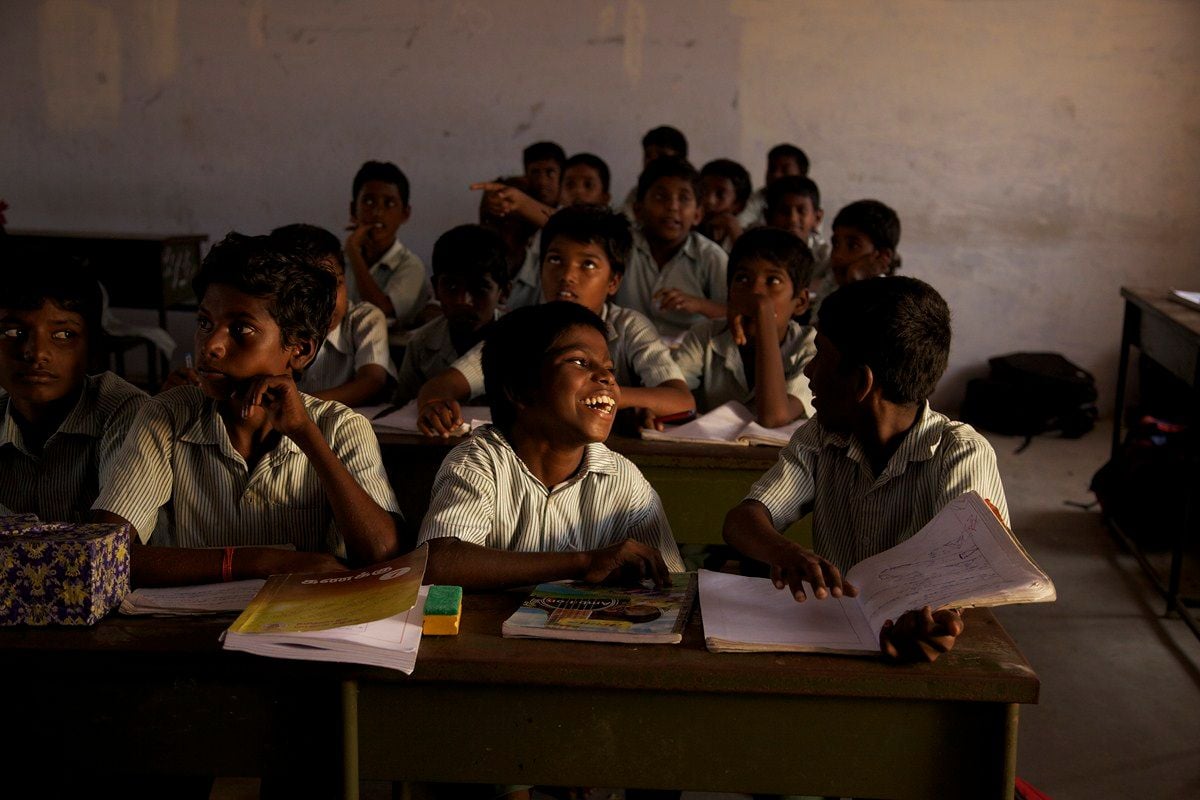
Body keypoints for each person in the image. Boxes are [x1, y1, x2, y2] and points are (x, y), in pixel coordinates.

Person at [722, 277, 1009, 662]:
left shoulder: (960, 455)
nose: (808, 371)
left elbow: (959, 587)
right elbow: (742, 520)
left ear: (860, 382)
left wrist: (930, 622)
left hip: (912, 657)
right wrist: (784, 551)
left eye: (820, 355)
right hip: (832, 641)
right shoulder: (822, 436)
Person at [93, 233, 401, 587]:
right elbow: (105, 555)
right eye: (205, 322)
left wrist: (306, 434)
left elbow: (382, 554)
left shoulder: (339, 428)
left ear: (299, 350)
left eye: (241, 329)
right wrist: (259, 561)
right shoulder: (166, 416)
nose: (211, 345)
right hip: (182, 635)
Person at [418, 301, 685, 591]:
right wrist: (583, 563)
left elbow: (671, 582)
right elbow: (439, 562)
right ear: (519, 389)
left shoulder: (624, 481)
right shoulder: (480, 463)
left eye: (609, 368)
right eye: (580, 362)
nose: (607, 377)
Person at [416, 205, 694, 435]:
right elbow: (444, 385)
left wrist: (601, 395)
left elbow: (680, 399)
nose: (567, 276)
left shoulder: (629, 326)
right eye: (555, 260)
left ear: (613, 281)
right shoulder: (522, 328)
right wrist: (437, 404)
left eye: (587, 264)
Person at [0, 245, 147, 521]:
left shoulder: (126, 412)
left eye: (64, 334)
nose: (36, 352)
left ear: (92, 350)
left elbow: (108, 546)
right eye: (13, 331)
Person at [672, 228, 816, 426]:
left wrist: (763, 312)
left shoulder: (810, 347)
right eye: (742, 279)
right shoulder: (705, 335)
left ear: (800, 302)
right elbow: (671, 394)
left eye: (773, 281)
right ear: (728, 290)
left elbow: (774, 416)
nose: (755, 292)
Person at [268, 224, 395, 407]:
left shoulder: (363, 318)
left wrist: (296, 406)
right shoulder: (270, 323)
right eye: (310, 289)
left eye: (335, 284)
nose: (327, 301)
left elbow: (371, 382)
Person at [394, 224, 509, 404]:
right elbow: (402, 410)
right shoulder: (421, 345)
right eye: (451, 287)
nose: (463, 300)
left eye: (479, 288)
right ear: (436, 289)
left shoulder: (516, 340)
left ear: (503, 292)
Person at [617, 157, 729, 337]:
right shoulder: (621, 246)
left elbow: (737, 314)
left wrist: (699, 304)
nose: (672, 207)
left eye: (684, 198)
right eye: (661, 197)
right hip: (624, 351)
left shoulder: (711, 257)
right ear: (638, 210)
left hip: (688, 356)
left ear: (698, 215)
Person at [344, 160, 432, 329]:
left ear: (405, 213)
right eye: (369, 202)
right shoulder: (339, 261)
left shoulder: (411, 266)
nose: (378, 212)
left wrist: (354, 251)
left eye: (389, 203)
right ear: (353, 209)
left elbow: (380, 311)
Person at [764, 175, 831, 306]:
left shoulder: (826, 256)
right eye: (784, 211)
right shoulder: (757, 253)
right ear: (768, 216)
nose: (793, 219)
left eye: (801, 211)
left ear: (817, 217)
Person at [737, 142, 811, 229]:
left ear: (801, 176)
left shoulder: (810, 202)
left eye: (785, 170)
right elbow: (740, 225)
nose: (776, 175)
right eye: (772, 169)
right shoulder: (758, 199)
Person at [697, 158, 753, 252]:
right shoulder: (687, 231)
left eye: (720, 195)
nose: (709, 200)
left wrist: (735, 234)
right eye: (703, 191)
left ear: (739, 206)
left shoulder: (750, 237)